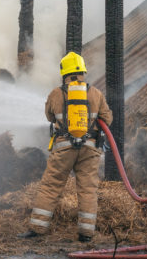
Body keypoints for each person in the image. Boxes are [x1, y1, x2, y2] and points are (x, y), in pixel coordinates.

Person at [19, 52, 113, 242]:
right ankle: (86, 233)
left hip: (63, 148)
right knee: (88, 189)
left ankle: (37, 228)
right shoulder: (95, 93)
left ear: (65, 72)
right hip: (90, 148)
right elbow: (107, 119)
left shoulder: (56, 93)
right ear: (82, 71)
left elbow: (49, 116)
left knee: (50, 186)